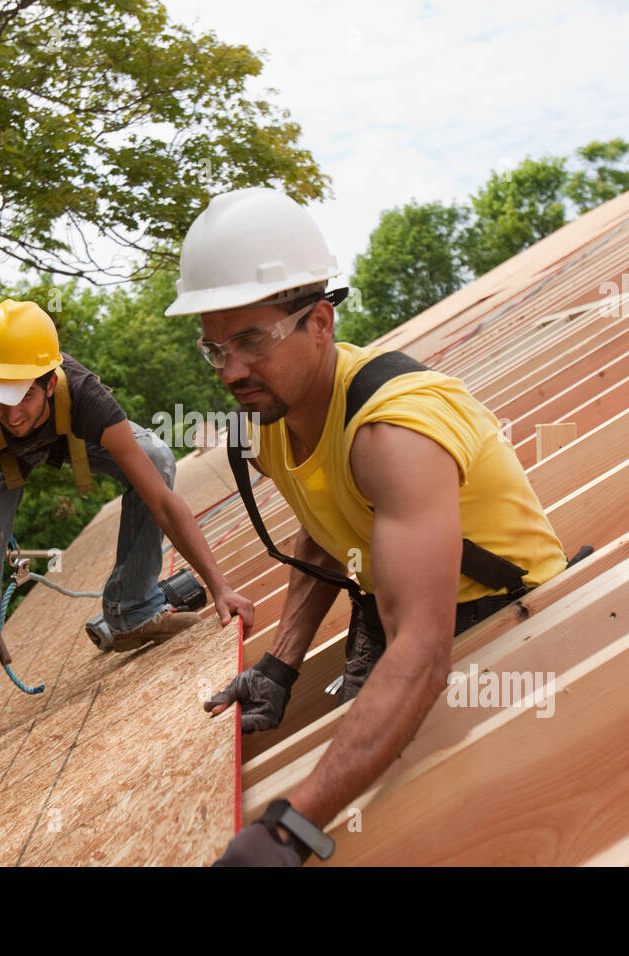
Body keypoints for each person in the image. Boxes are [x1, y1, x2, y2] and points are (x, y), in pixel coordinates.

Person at [164, 188, 568, 865]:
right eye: (214, 349)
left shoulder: (392, 434)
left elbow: (425, 650)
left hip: (510, 623)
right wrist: (280, 665)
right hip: (396, 614)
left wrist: (290, 827)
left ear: (320, 322)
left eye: (250, 342)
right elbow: (329, 521)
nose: (231, 371)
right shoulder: (273, 415)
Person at [0, 298, 254, 766]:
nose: (10, 415)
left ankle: (133, 609)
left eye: (23, 397)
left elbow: (162, 500)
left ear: (50, 383)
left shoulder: (87, 398)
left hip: (68, 437)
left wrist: (220, 586)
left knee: (154, 458)